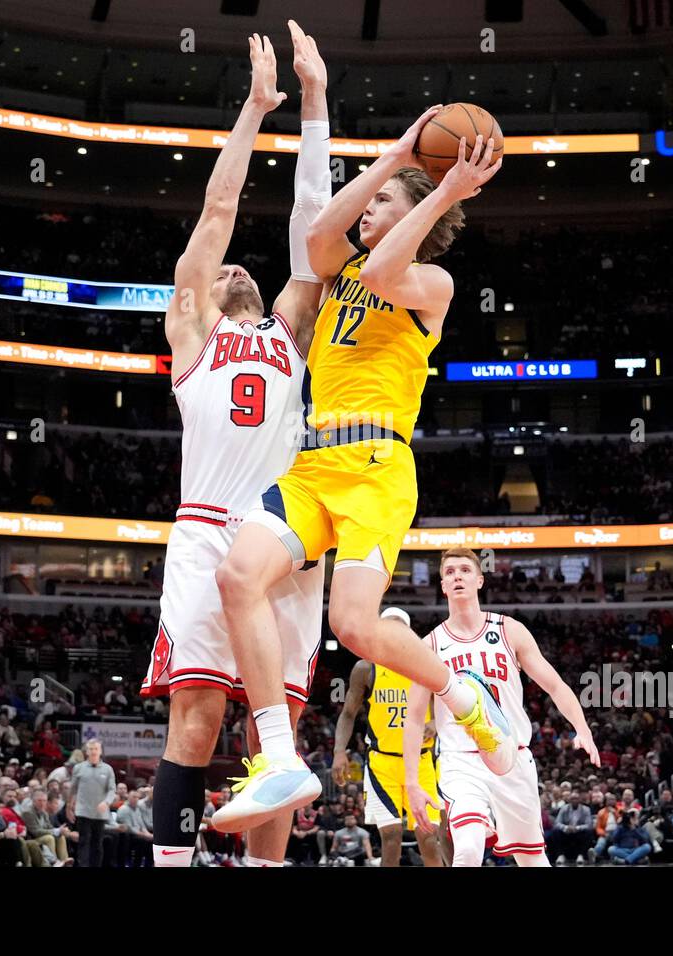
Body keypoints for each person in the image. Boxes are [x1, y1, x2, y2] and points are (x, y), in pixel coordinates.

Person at [214, 79, 510, 834]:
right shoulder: (337, 269)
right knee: (237, 573)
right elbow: (319, 237)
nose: (365, 206)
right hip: (315, 465)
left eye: (379, 203)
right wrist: (394, 156)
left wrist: (438, 189)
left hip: (378, 469)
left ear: (410, 216)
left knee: (353, 627)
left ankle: (460, 693)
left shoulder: (431, 283)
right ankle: (279, 756)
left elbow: (384, 271)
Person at [139, 21, 331, 868]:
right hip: (206, 525)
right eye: (218, 271)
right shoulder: (192, 331)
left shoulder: (292, 328)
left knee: (274, 742)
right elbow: (220, 208)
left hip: (282, 533)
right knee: (197, 719)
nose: (232, 268)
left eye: (235, 268)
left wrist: (316, 107)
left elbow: (312, 230)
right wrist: (257, 109)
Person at [404, 549, 599, 867]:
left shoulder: (509, 630)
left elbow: (555, 685)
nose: (457, 576)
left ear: (479, 580)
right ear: (442, 585)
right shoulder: (430, 645)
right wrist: (412, 782)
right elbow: (413, 719)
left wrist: (583, 729)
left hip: (513, 757)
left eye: (465, 570)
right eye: (450, 572)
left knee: (532, 860)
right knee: (467, 849)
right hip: (460, 760)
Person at [332, 606, 444, 867]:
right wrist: (339, 751)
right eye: (388, 625)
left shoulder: (427, 664)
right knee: (391, 838)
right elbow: (348, 714)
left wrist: (436, 723)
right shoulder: (365, 668)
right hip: (382, 764)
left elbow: (450, 704)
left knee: (428, 838)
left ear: (407, 633)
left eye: (398, 626)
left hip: (421, 762)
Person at [67, 739, 115, 867]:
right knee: (84, 842)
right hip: (83, 811)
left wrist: (107, 802)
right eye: (91, 749)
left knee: (97, 844)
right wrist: (69, 806)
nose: (93, 751)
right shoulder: (79, 768)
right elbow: (73, 789)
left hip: (100, 813)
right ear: (86, 751)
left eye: (96, 749)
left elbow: (112, 790)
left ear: (100, 751)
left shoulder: (108, 769)